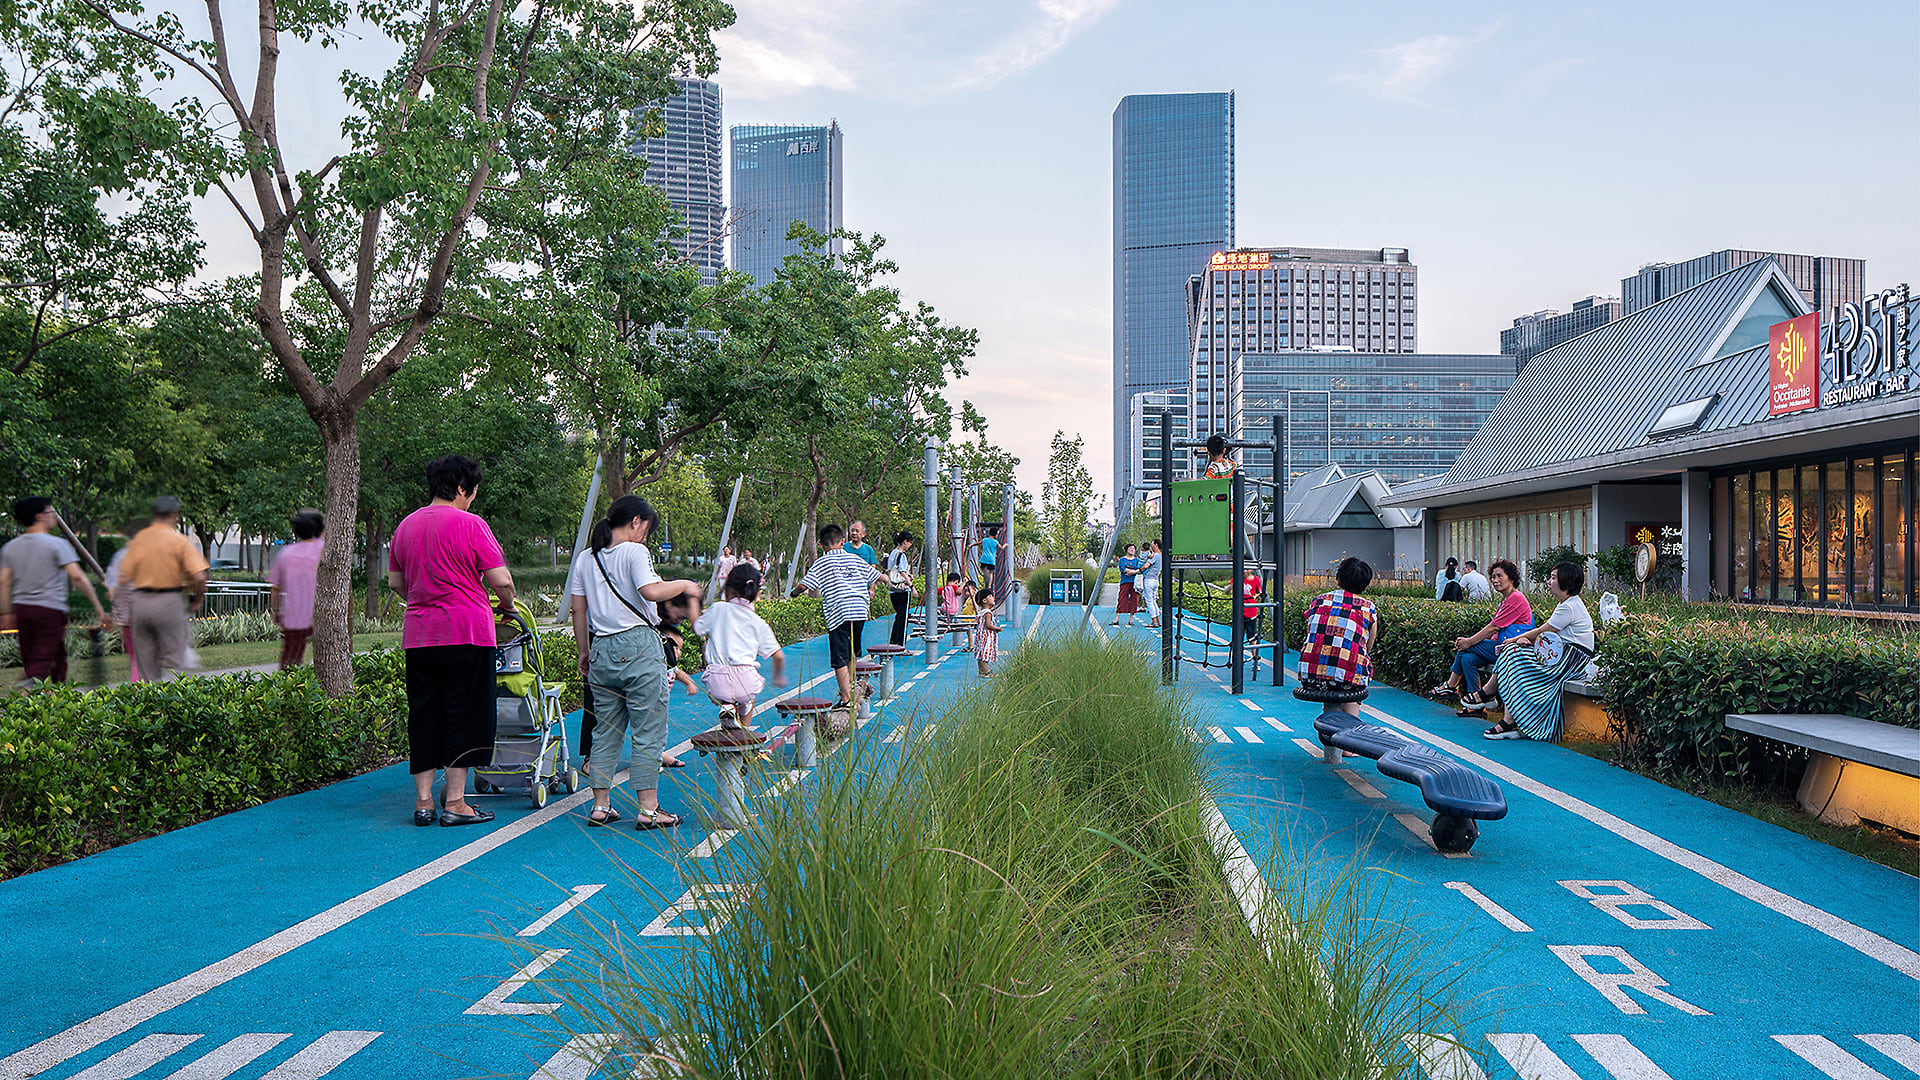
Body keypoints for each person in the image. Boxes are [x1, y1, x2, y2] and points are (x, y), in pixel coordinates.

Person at [388, 457, 515, 828]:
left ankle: (424, 801)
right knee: (465, 713)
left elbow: (397, 583)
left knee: (425, 714)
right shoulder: (472, 524)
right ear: (462, 488)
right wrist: (506, 605)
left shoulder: (405, 526)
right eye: (472, 492)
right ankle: (456, 802)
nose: (472, 499)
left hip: (420, 636)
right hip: (468, 633)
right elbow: (501, 580)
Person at [569, 494, 702, 829]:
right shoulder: (635, 551)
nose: (645, 536)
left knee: (605, 731)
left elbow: (579, 610)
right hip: (638, 647)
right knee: (648, 731)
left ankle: (600, 806)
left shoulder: (586, 558)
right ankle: (648, 809)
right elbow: (650, 591)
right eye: (647, 528)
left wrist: (584, 651)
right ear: (636, 521)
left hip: (601, 649)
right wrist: (686, 583)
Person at [1, 497, 109, 690]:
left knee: (53, 656)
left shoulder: (11, 547)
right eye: (52, 512)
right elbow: (78, 577)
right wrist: (98, 607)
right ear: (40, 516)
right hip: (49, 609)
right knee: (41, 661)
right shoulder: (56, 544)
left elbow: (3, 582)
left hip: (23, 610)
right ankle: (25, 694)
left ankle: (56, 698)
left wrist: (6, 612)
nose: (55, 517)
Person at [1483, 561, 1597, 740]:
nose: (1549, 582)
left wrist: (1514, 639)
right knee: (1512, 653)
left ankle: (1491, 697)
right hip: (1562, 654)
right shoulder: (1566, 603)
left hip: (1572, 659)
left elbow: (1542, 631)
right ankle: (1507, 717)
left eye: (1553, 578)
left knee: (1512, 653)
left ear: (1565, 581)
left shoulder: (1569, 606)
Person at [117, 496, 209, 684]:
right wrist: (197, 600)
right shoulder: (179, 541)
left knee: (145, 663)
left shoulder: (140, 539)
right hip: (168, 601)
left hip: (140, 602)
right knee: (181, 659)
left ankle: (149, 704)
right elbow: (200, 577)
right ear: (174, 514)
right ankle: (183, 701)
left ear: (155, 513)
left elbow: (124, 576)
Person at [791, 522, 881, 711]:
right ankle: (851, 687)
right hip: (859, 610)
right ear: (843, 542)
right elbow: (877, 576)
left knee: (839, 657)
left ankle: (846, 699)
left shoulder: (822, 562)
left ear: (821, 546)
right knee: (853, 651)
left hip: (839, 612)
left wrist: (794, 593)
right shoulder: (855, 559)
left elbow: (805, 584)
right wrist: (894, 582)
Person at [694, 563, 787, 730]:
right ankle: (743, 731)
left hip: (717, 681)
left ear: (727, 588)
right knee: (749, 698)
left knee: (722, 691)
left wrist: (693, 605)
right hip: (745, 682)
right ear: (756, 593)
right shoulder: (757, 622)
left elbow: (698, 628)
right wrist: (778, 676)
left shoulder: (718, 609)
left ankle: (727, 706)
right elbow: (778, 655)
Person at [1428, 559, 1532, 707]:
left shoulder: (1516, 598)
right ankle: (1476, 704)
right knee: (1467, 659)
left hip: (1510, 649)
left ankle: (1451, 686)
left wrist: (1468, 642)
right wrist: (1468, 642)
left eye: (1499, 576)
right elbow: (1494, 629)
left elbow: (1494, 627)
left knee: (1466, 648)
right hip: (1500, 646)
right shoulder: (1506, 600)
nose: (1495, 581)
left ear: (1511, 578)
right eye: (1493, 577)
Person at [1297, 558, 1379, 718]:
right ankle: (1351, 725)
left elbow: (1312, 633)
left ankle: (1329, 724)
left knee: (1330, 686)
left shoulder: (1318, 601)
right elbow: (1368, 646)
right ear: (1365, 584)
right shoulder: (1368, 608)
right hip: (1349, 678)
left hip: (1312, 676)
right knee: (1351, 680)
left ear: (1338, 579)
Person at [266, 509, 324, 670]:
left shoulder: (286, 553)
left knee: (291, 657)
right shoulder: (325, 551)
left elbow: (276, 588)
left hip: (294, 615)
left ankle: (288, 687)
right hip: (321, 613)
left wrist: (275, 610)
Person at [102, 520, 142, 681]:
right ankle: (143, 684)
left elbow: (110, 588)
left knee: (135, 656)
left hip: (128, 618)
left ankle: (138, 684)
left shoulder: (120, 557)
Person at [884, 531, 916, 647]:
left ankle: (894, 642)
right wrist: (912, 586)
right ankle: (901, 645)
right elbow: (902, 572)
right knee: (903, 619)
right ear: (905, 542)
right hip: (902, 589)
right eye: (909, 542)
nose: (910, 545)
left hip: (893, 589)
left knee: (899, 617)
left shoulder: (893, 553)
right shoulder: (901, 555)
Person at [973, 588, 1002, 677]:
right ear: (984, 600)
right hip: (986, 636)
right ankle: (986, 671)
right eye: (990, 596)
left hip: (980, 636)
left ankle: (981, 671)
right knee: (985, 653)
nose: (993, 598)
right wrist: (996, 629)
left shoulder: (981, 612)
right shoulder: (988, 613)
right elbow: (988, 625)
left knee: (980, 653)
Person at [1111, 543, 1142, 627]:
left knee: (1134, 600)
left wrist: (1132, 572)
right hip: (1125, 582)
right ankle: (1116, 619)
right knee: (1121, 599)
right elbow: (1122, 569)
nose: (1132, 550)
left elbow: (1140, 569)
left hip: (1135, 583)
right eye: (1130, 548)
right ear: (1127, 549)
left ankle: (1131, 619)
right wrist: (1133, 571)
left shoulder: (1137, 560)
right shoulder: (1122, 559)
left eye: (1134, 549)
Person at [1139, 540, 1163, 628]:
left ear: (1156, 545)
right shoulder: (1161, 556)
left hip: (1149, 580)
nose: (1151, 546)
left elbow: (1146, 565)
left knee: (1149, 601)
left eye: (1152, 544)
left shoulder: (1155, 555)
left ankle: (1154, 622)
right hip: (1156, 580)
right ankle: (1158, 620)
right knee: (1153, 600)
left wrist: (1140, 570)